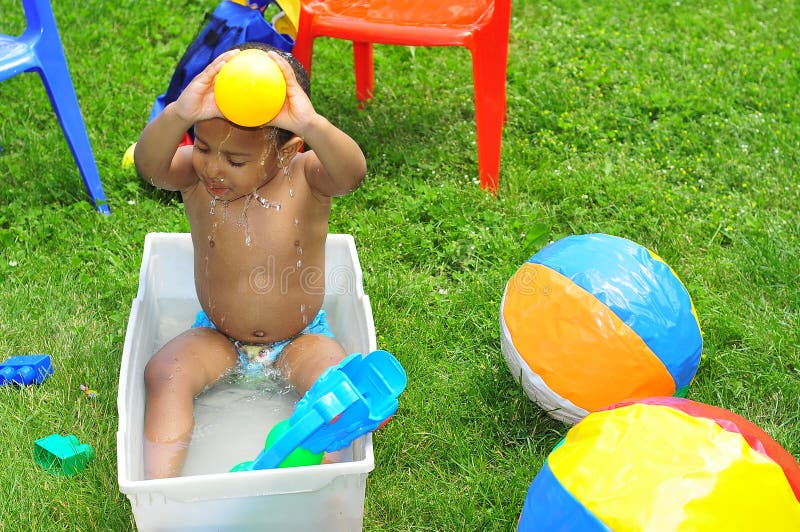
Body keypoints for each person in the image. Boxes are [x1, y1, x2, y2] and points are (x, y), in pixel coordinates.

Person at [134, 42, 367, 479]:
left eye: (235, 159)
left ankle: (325, 485)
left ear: (287, 150)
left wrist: (310, 122)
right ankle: (159, 492)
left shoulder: (308, 177)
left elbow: (352, 174)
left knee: (338, 392)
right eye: (202, 147)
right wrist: (182, 113)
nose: (213, 169)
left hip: (300, 338)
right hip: (218, 334)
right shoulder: (194, 177)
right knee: (165, 372)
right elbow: (149, 167)